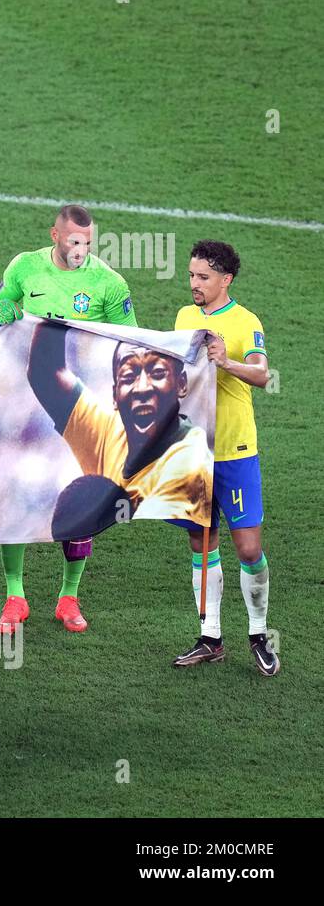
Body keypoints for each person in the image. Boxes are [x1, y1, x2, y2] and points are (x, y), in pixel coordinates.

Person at [0, 204, 138, 634]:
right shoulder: (25, 268)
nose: (80, 250)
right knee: (13, 494)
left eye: (87, 242)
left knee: (78, 501)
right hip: (23, 405)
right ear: (55, 236)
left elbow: (132, 343)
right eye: (73, 242)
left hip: (78, 411)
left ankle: (69, 597)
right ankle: (15, 597)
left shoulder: (108, 283)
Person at [170, 241, 277, 676]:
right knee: (201, 542)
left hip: (235, 451)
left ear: (225, 280)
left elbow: (262, 373)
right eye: (192, 275)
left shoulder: (245, 320)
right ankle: (210, 636)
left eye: (203, 277)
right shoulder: (183, 316)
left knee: (249, 548)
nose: (194, 284)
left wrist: (226, 362)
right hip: (194, 449)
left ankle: (259, 634)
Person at [26, 320, 212, 520]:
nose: (142, 388)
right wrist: (57, 307)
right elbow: (45, 371)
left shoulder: (189, 460)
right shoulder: (109, 431)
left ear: (181, 384)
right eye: (128, 376)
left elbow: (140, 523)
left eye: (157, 373)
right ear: (115, 396)